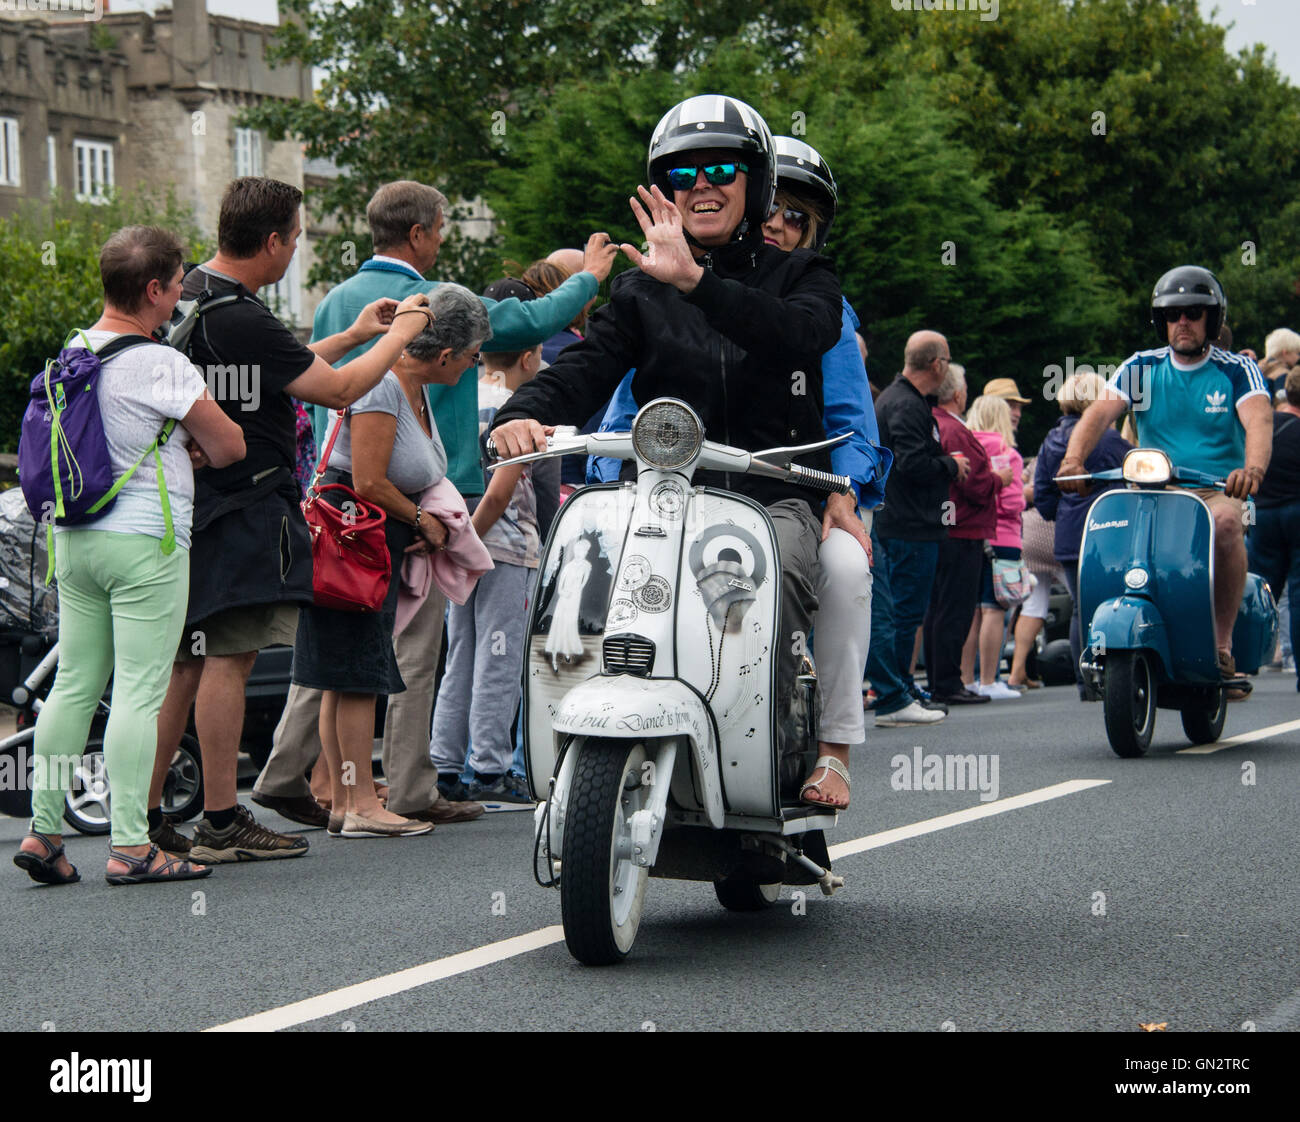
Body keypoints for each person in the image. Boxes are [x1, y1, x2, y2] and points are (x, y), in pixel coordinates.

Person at [488, 94, 851, 801]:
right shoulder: (637, 291)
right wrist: (522, 414)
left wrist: (696, 282)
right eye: (683, 175)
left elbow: (799, 336)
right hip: (664, 497)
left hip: (772, 495)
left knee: (757, 590)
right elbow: (585, 368)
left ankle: (768, 759)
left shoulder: (804, 276)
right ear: (664, 188)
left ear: (757, 184)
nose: (702, 185)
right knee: (590, 587)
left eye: (721, 168)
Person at [252, 181, 615, 829]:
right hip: (405, 503)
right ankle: (404, 784)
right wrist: (587, 279)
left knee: (335, 656)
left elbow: (311, 387)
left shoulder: (336, 302)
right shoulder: (436, 310)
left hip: (335, 505)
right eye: (441, 227)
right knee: (409, 652)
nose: (443, 238)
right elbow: (530, 322)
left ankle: (302, 776)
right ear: (419, 234)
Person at [148, 176, 436, 864]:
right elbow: (334, 390)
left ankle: (149, 810)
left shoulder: (189, 294)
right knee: (229, 657)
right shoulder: (241, 314)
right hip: (240, 503)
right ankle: (222, 820)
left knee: (183, 666)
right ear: (273, 242)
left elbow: (289, 367)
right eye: (297, 239)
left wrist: (351, 333)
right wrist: (398, 336)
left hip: (184, 503)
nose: (295, 250)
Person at [14, 225, 245, 887]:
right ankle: (131, 846)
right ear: (152, 289)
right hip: (145, 541)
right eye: (175, 287)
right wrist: (187, 442)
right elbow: (229, 445)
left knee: (74, 686)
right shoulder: (161, 362)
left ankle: (45, 831)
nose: (178, 299)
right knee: (140, 694)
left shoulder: (72, 351)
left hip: (74, 539)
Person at [298, 284, 490, 837]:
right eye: (473, 355)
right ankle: (360, 803)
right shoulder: (383, 386)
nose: (474, 365)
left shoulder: (410, 386)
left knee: (344, 676)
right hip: (358, 539)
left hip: (365, 538)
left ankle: (342, 799)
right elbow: (369, 480)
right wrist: (424, 520)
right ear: (447, 354)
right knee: (358, 676)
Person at [1057, 265, 1272, 691]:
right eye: (1174, 315)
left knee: (1230, 524)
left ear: (1213, 319)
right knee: (1105, 528)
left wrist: (1252, 470)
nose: (1183, 322)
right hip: (1150, 490)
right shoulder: (1141, 367)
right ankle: (1103, 645)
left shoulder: (1235, 371)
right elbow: (1099, 413)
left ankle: (1222, 645)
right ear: (1162, 321)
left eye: (1194, 312)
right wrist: (1072, 461)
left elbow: (1260, 420)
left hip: (1215, 490)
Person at [429, 342, 544, 805]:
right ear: (529, 356)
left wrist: (456, 545)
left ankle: (444, 764)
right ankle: (491, 768)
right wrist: (469, 546)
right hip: (505, 547)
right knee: (499, 659)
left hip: (455, 539)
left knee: (460, 656)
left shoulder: (455, 398)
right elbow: (500, 495)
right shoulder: (515, 414)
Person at [870, 332, 969, 724]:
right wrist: (951, 466)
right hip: (908, 525)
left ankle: (900, 685)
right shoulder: (906, 404)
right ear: (938, 364)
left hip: (904, 522)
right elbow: (909, 464)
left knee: (903, 613)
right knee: (904, 613)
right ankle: (893, 694)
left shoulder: (901, 399)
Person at [1034, 372, 1131, 700]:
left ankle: (1084, 680)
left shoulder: (1051, 440)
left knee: (1081, 608)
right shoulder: (1110, 440)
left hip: (1071, 535)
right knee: (1112, 605)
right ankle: (1112, 674)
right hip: (1111, 534)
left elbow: (1043, 495)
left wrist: (1063, 513)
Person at [922, 363, 996, 706]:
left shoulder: (932, 423)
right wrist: (1001, 480)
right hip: (962, 528)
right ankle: (948, 683)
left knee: (937, 607)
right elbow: (976, 484)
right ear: (957, 393)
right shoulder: (954, 428)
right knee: (955, 608)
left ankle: (940, 681)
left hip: (940, 526)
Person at [961, 395, 1025, 699]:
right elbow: (1012, 503)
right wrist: (1023, 492)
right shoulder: (1004, 452)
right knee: (994, 609)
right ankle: (989, 679)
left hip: (972, 537)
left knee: (971, 611)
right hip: (1003, 538)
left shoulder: (966, 448)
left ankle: (966, 680)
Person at [1247, 366, 1300, 692]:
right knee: (1297, 594)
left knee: (1256, 592)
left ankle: (1239, 664)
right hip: (1297, 513)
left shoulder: (1260, 428)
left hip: (1261, 516)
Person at [1259, 328, 1299, 399]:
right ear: (1285, 353)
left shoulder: (1256, 369)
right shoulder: (1283, 375)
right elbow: (1284, 403)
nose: (1298, 358)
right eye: (1297, 353)